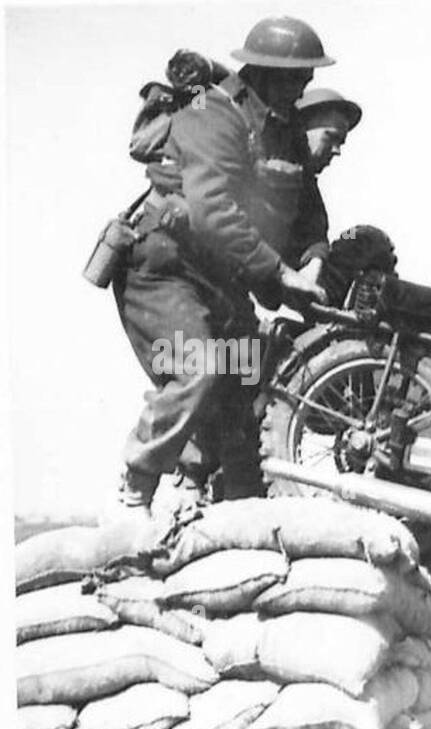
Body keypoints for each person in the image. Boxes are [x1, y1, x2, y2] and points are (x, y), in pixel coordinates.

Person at [113, 15, 331, 514]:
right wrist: (279, 275)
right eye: (297, 76)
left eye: (308, 77)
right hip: (164, 268)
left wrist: (314, 259)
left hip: (222, 279)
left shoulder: (286, 132)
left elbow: (310, 212)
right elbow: (213, 212)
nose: (304, 86)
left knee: (246, 389)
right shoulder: (212, 112)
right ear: (264, 72)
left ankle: (235, 506)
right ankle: (136, 484)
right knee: (200, 367)